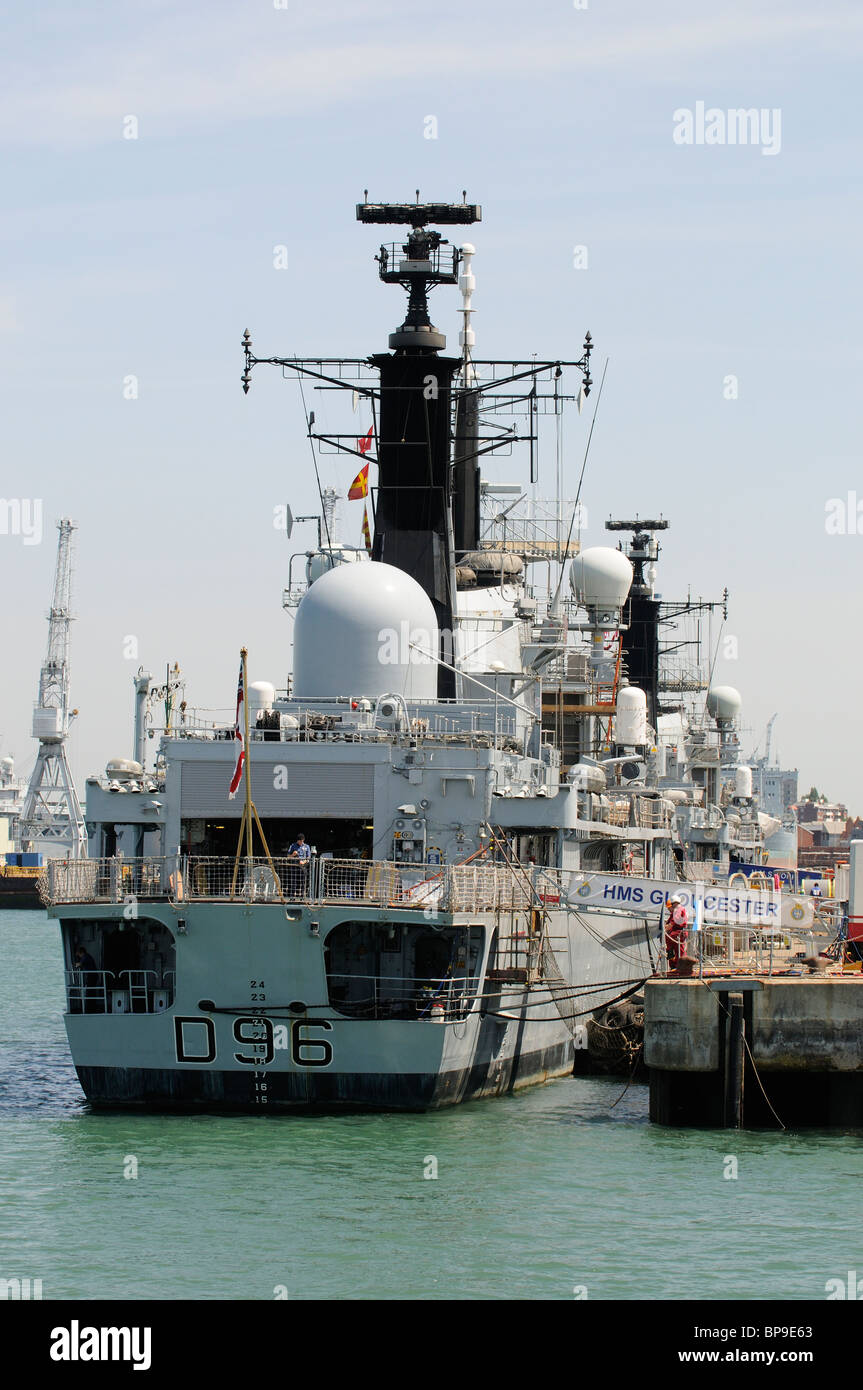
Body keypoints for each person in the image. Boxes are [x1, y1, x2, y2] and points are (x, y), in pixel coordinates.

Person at [664, 895, 689, 972]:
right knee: (672, 950)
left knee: (679, 950)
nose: (669, 909)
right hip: (674, 934)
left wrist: (668, 926)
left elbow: (674, 921)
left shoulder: (678, 909)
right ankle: (674, 966)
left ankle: (681, 966)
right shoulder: (676, 910)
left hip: (678, 933)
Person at [287, 832, 311, 898]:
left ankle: (302, 896)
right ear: (297, 840)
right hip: (294, 866)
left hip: (303, 866)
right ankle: (292, 897)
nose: (301, 842)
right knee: (293, 882)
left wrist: (304, 862)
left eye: (302, 841)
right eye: (300, 841)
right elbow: (288, 856)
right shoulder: (293, 846)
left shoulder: (307, 846)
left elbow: (309, 857)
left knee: (303, 882)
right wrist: (293, 855)